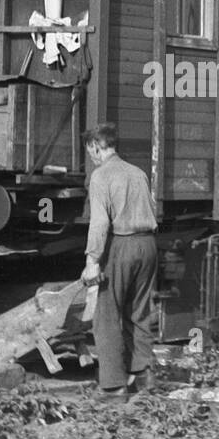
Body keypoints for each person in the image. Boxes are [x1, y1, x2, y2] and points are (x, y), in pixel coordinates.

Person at [81, 123, 159, 402]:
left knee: (107, 315)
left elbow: (100, 222)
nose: (91, 157)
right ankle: (144, 376)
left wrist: (93, 260)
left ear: (96, 146)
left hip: (122, 244)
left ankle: (113, 387)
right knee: (139, 311)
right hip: (148, 244)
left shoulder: (101, 176)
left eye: (91, 150)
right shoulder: (137, 173)